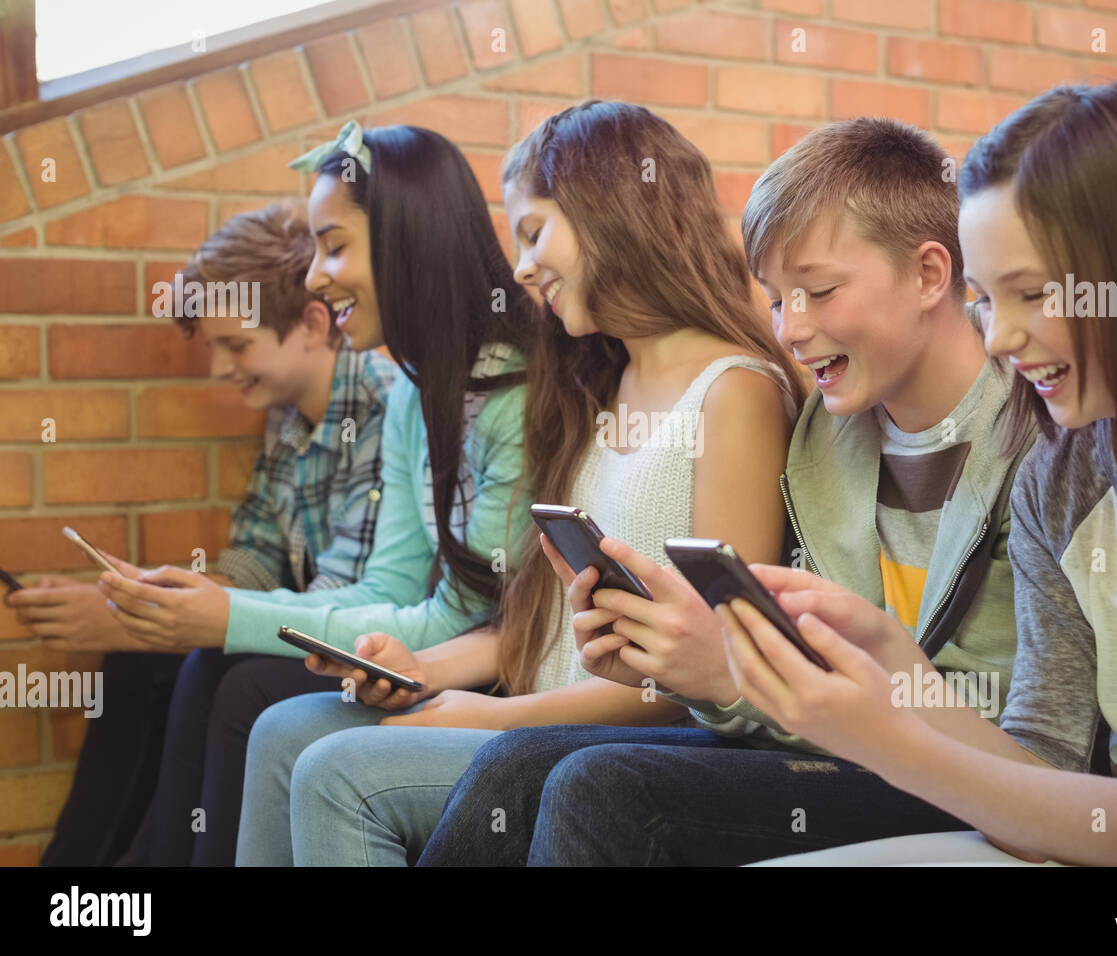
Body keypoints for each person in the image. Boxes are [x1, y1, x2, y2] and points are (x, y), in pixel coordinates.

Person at [418, 116, 1040, 866]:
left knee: (604, 787)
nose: (790, 330)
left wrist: (728, 678)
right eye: (777, 300)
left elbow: (1030, 748)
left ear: (930, 275)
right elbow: (811, 691)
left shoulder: (1036, 433)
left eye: (818, 292)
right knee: (516, 765)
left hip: (969, 769)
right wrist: (687, 670)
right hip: (854, 748)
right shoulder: (823, 437)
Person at [729, 81, 1117, 866]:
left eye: (1030, 294)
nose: (999, 339)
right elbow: (1042, 767)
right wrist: (892, 660)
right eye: (988, 300)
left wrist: (888, 741)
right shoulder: (1062, 477)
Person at [236, 100, 805, 866]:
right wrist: (421, 670)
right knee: (283, 731)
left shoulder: (736, 393)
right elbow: (532, 621)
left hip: (622, 738)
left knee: (341, 775)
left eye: (535, 232)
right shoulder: (597, 381)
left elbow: (702, 674)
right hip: (540, 711)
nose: (524, 266)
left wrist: (499, 720)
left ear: (613, 211)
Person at [96, 122, 538, 865]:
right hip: (435, 648)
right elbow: (389, 584)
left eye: (334, 247)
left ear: (406, 238)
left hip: (494, 670)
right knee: (222, 680)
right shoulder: (416, 393)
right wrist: (215, 608)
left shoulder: (509, 394)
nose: (315, 275)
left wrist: (228, 614)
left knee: (237, 688)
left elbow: (458, 620)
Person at [5, 203, 395, 867]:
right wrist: (143, 604)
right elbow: (254, 562)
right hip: (297, 628)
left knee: (212, 665)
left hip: (361, 647)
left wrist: (137, 621)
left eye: (235, 345)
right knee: (140, 662)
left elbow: (348, 599)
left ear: (312, 323)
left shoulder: (382, 402)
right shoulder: (287, 417)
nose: (218, 368)